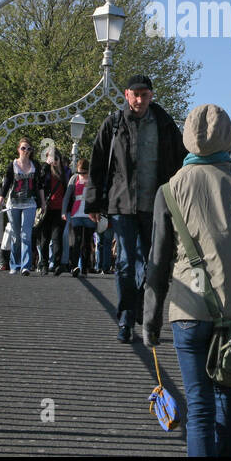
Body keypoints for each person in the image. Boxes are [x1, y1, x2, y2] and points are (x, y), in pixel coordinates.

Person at [142, 103, 231, 457]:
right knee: (226, 394)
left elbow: (158, 262)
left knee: (200, 406)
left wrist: (150, 318)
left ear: (187, 138)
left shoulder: (170, 190)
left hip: (187, 311)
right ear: (229, 138)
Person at [84, 74, 185, 343]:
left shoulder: (164, 124)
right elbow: (97, 162)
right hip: (122, 205)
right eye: (135, 94)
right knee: (126, 263)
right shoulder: (114, 124)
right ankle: (126, 320)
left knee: (151, 264)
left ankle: (141, 306)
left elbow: (182, 160)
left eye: (145, 95)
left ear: (152, 96)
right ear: (127, 95)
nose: (140, 100)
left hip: (156, 204)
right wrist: (93, 201)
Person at [0, 137, 45, 276]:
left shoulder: (35, 165)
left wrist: (43, 202)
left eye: (28, 149)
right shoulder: (13, 165)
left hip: (30, 203)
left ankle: (25, 266)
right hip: (14, 204)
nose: (26, 151)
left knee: (26, 234)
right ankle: (14, 265)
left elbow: (40, 186)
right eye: (23, 148)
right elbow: (6, 186)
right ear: (18, 149)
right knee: (16, 235)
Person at [36, 145, 69, 275]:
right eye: (51, 158)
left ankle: (55, 264)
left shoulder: (65, 172)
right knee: (45, 238)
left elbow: (69, 190)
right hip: (47, 208)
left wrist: (67, 209)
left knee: (57, 238)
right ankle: (44, 263)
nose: (54, 161)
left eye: (57, 158)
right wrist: (45, 165)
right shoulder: (46, 170)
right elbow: (40, 183)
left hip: (60, 209)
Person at [61, 158, 96, 277]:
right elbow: (67, 196)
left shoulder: (93, 179)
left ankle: (85, 268)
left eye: (84, 173)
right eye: (80, 172)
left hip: (90, 214)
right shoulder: (74, 179)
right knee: (76, 241)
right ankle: (74, 266)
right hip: (76, 213)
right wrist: (64, 211)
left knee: (86, 243)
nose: (81, 175)